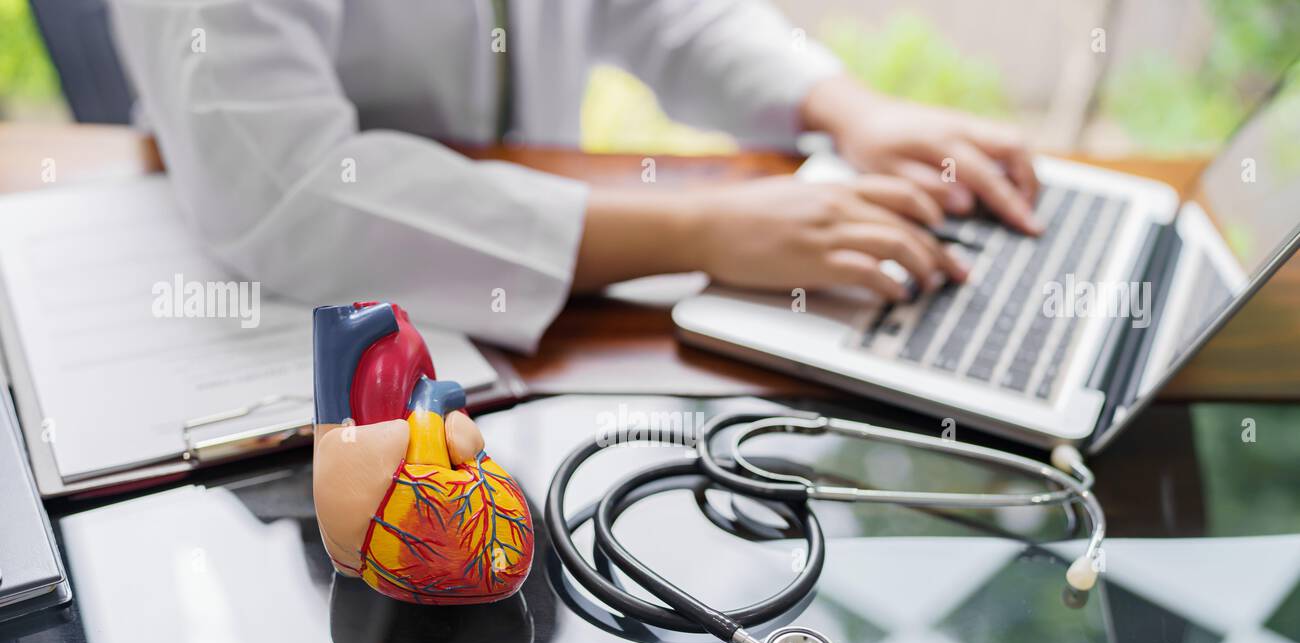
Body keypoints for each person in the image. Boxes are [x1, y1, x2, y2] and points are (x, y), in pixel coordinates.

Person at [108, 0, 1041, 353]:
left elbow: (668, 12)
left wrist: (844, 107)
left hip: (534, 325)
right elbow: (287, 188)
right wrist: (697, 231)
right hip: (292, 347)